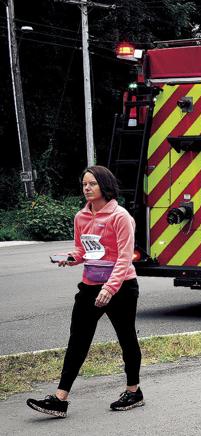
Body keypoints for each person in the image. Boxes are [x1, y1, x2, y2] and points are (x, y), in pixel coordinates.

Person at [27, 166, 143, 418]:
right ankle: (60, 399)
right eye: (84, 185)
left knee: (126, 338)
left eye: (92, 184)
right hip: (89, 287)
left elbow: (124, 258)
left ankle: (133, 391)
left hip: (120, 288)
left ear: (104, 185)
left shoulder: (120, 216)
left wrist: (110, 289)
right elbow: (83, 250)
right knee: (77, 340)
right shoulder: (81, 217)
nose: (87, 188)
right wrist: (70, 257)